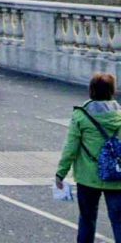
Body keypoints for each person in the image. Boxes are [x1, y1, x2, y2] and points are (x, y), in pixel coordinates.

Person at [57, 72, 121, 243]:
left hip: (87, 178)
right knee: (118, 221)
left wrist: (60, 173)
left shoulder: (81, 116)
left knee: (87, 219)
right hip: (116, 177)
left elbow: (71, 148)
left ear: (91, 90)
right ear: (112, 91)